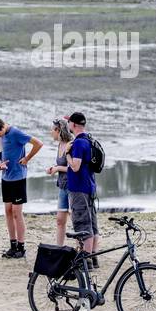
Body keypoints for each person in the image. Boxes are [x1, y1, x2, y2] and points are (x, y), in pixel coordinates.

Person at [0, 117, 42, 258]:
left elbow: (38, 144)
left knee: (17, 212)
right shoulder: (3, 134)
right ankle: (13, 245)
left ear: (2, 127)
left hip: (18, 178)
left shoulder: (16, 132)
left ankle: (21, 248)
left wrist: (27, 158)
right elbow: (9, 150)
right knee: (8, 211)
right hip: (6, 177)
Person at [65, 111, 99, 266]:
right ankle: (93, 256)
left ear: (73, 124)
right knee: (92, 223)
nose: (68, 125)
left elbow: (75, 166)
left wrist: (67, 154)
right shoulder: (89, 139)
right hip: (90, 185)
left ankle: (86, 260)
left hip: (79, 188)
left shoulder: (78, 143)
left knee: (82, 223)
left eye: (69, 123)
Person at [45, 118, 74, 246]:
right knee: (60, 220)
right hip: (62, 186)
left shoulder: (71, 144)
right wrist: (53, 168)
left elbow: (74, 168)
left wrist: (57, 168)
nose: (51, 132)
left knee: (76, 221)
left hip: (72, 187)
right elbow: (62, 165)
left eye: (52, 130)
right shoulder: (60, 144)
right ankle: (59, 248)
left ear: (58, 130)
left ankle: (83, 251)